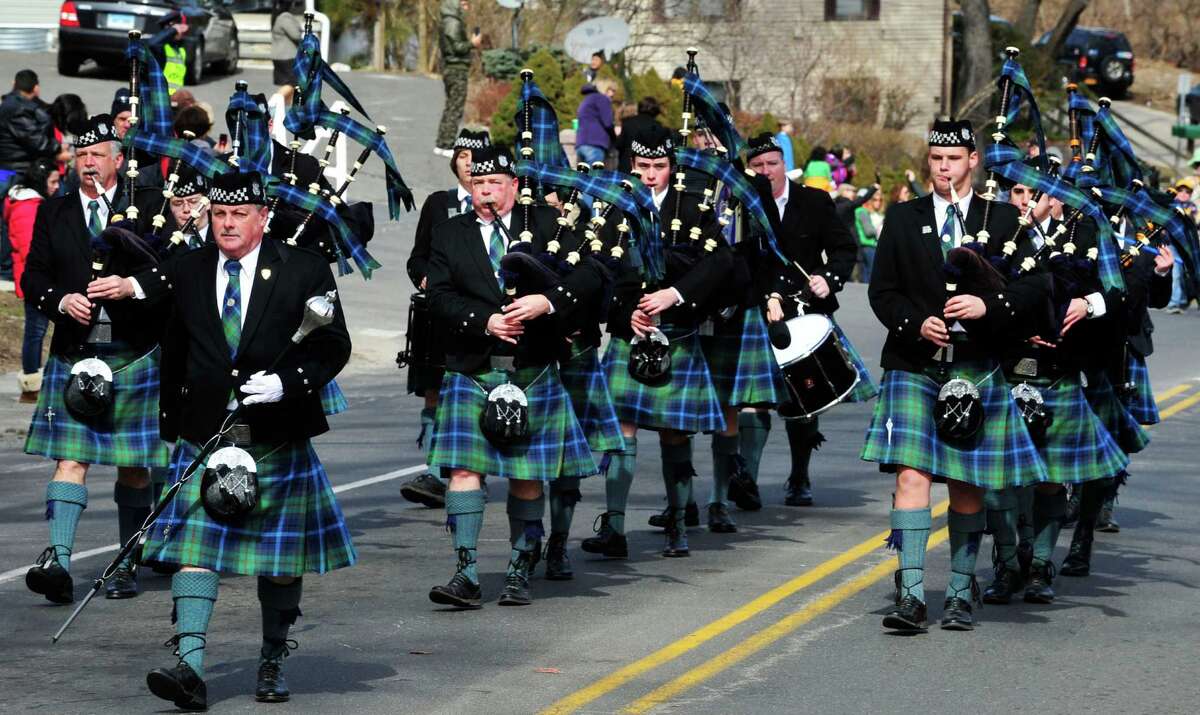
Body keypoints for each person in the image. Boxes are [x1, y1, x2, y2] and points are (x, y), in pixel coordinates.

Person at [89, 169, 355, 709]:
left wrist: (289, 382)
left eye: (238, 215)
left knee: (280, 561)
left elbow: (333, 344)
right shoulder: (187, 269)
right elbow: (176, 348)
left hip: (275, 433)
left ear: (262, 217)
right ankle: (189, 666)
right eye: (218, 215)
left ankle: (273, 657)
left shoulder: (302, 268)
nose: (227, 224)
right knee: (195, 551)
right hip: (206, 434)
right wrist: (174, 425)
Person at [863, 119, 1052, 632]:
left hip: (978, 366)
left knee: (967, 483)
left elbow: (1038, 288)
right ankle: (911, 594)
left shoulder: (1005, 219)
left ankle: (962, 593)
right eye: (936, 159)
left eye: (954, 158)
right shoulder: (903, 219)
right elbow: (882, 292)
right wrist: (915, 323)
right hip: (914, 362)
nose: (944, 167)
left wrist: (987, 305)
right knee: (910, 474)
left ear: (973, 160)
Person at [424, 145, 602, 607]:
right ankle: (465, 572)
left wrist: (548, 302)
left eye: (495, 184)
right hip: (472, 366)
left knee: (527, 476)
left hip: (532, 367)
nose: (486, 192)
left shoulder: (547, 226)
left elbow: (593, 275)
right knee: (465, 469)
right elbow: (437, 296)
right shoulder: (449, 233)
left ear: (514, 186)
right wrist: (484, 320)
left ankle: (520, 569)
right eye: (478, 184)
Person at [21, 114, 168, 605]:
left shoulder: (147, 208)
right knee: (70, 458)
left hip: (133, 352)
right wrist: (59, 301)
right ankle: (59, 561)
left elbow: (175, 270)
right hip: (75, 351)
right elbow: (34, 276)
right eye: (82, 155)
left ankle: (126, 562)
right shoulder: (54, 212)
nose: (88, 163)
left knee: (133, 467)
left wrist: (133, 286)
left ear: (119, 161)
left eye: (98, 154)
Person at [980, 178, 1132, 606]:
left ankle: (1041, 564)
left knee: (1050, 477)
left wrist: (1089, 304)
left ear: (1055, 198)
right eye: (1018, 193)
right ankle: (1008, 562)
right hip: (1008, 366)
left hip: (1059, 369)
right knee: (998, 481)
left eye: (1034, 193)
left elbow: (1120, 294)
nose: (1025, 201)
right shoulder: (999, 233)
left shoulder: (1085, 234)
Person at [584, 124, 732, 558]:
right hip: (632, 331)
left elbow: (721, 260)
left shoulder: (693, 205)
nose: (651, 175)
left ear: (672, 166)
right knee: (621, 432)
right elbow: (596, 270)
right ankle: (614, 528)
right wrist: (622, 312)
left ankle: (678, 523)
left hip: (677, 331)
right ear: (632, 165)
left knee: (674, 434)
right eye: (644, 166)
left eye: (660, 166)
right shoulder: (613, 207)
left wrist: (676, 293)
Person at [748, 133, 872, 508]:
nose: (766, 172)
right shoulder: (744, 204)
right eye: (757, 166)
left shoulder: (813, 201)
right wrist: (764, 295)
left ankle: (799, 475)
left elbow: (843, 248)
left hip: (804, 307)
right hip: (758, 309)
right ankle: (748, 482)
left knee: (806, 395)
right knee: (755, 400)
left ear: (784, 163)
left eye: (772, 163)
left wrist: (828, 276)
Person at [400, 127, 491, 509]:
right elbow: (417, 256)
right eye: (463, 157)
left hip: (485, 315)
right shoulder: (439, 203)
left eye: (476, 158)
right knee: (436, 389)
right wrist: (423, 275)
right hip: (441, 312)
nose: (469, 164)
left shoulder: (500, 207)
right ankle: (438, 471)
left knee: (477, 393)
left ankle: (472, 469)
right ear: (454, 161)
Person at [0, 70, 64, 281]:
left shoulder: (12, 104)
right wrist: (58, 149)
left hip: (9, 169)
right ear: (35, 87)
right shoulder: (17, 109)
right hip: (13, 171)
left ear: (14, 83)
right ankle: (7, 268)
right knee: (9, 220)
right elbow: (35, 140)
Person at [5, 159, 60, 402]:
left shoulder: (26, 203)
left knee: (36, 331)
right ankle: (31, 386)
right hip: (36, 279)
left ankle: (33, 383)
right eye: (53, 181)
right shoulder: (29, 207)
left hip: (34, 277)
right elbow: (31, 249)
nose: (57, 186)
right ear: (40, 181)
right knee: (36, 332)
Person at [434, 0, 482, 157]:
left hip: (451, 68)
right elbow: (456, 48)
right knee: (455, 108)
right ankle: (446, 144)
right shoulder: (453, 23)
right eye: (464, 4)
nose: (467, 7)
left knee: (451, 106)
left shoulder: (449, 21)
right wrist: (472, 43)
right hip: (456, 69)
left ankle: (442, 143)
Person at [575, 79, 617, 167]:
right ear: (605, 89)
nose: (613, 94)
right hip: (595, 144)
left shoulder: (588, 99)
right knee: (594, 178)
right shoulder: (602, 99)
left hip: (581, 144)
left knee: (583, 178)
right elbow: (608, 122)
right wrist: (615, 138)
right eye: (612, 90)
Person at [616, 97, 663, 173]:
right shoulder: (658, 126)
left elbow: (619, 144)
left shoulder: (628, 122)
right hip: (646, 166)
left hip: (627, 164)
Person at [271, 0, 305, 106]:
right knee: (294, 83)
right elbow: (296, 35)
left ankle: (284, 112)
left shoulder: (278, 16)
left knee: (290, 86)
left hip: (282, 57)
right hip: (287, 57)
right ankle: (272, 103)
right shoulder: (285, 17)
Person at [854, 188, 883, 283]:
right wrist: (877, 231)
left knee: (864, 272)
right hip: (869, 245)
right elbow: (868, 231)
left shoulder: (856, 211)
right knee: (870, 271)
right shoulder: (862, 211)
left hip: (862, 245)